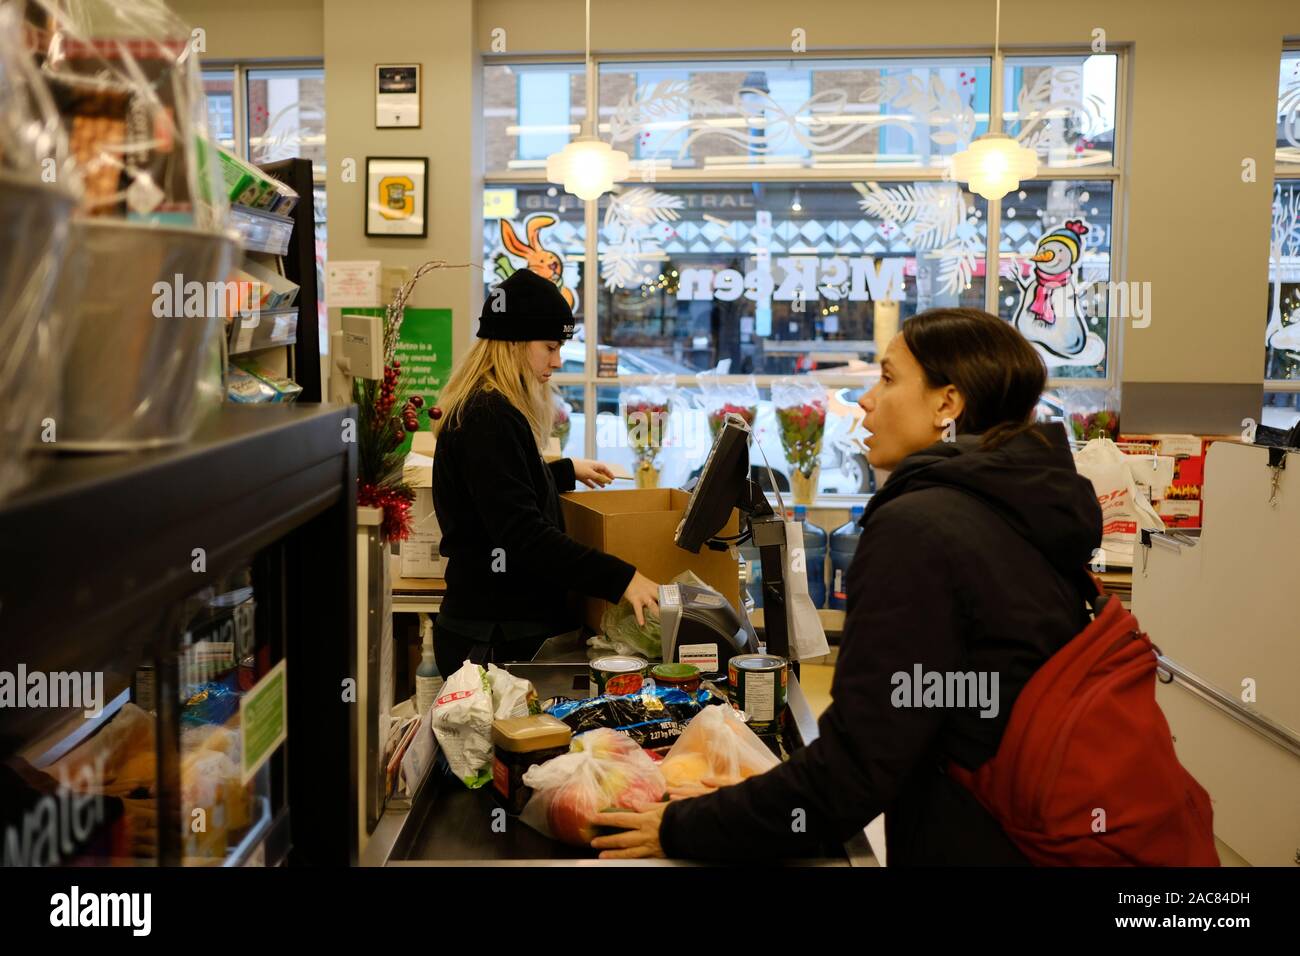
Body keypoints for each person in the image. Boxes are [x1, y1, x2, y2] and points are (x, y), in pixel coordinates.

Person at [593, 307, 1103, 864]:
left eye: (887, 378)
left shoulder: (921, 528)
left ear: (947, 404)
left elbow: (856, 768)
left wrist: (684, 826)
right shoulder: (1021, 508)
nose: (864, 399)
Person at [430, 268, 660, 677]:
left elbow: (501, 491)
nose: (556, 362)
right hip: (493, 636)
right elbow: (523, 535)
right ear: (514, 342)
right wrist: (623, 579)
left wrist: (564, 471)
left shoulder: (490, 409)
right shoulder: (488, 417)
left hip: (502, 627)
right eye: (550, 347)